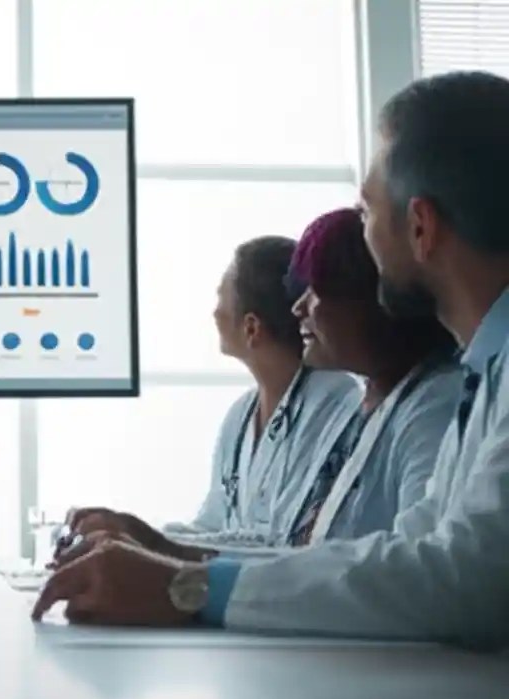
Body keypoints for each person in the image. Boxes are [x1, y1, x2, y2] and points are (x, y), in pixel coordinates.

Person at [33, 71, 509, 648]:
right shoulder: (484, 372)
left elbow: (470, 579)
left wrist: (186, 587)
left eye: (364, 211)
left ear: (419, 226)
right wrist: (174, 562)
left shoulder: (450, 388)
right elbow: (408, 547)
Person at [57, 208, 461, 565]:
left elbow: (402, 571)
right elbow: (295, 551)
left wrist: (169, 559)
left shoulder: (370, 403)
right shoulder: (375, 405)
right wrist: (150, 545)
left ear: (369, 299)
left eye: (315, 291)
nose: (299, 308)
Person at [161, 236, 362, 545]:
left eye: (220, 300)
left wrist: (146, 546)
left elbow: (285, 540)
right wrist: (132, 538)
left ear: (251, 327)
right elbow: (211, 523)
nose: (214, 313)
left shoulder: (335, 400)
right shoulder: (241, 414)